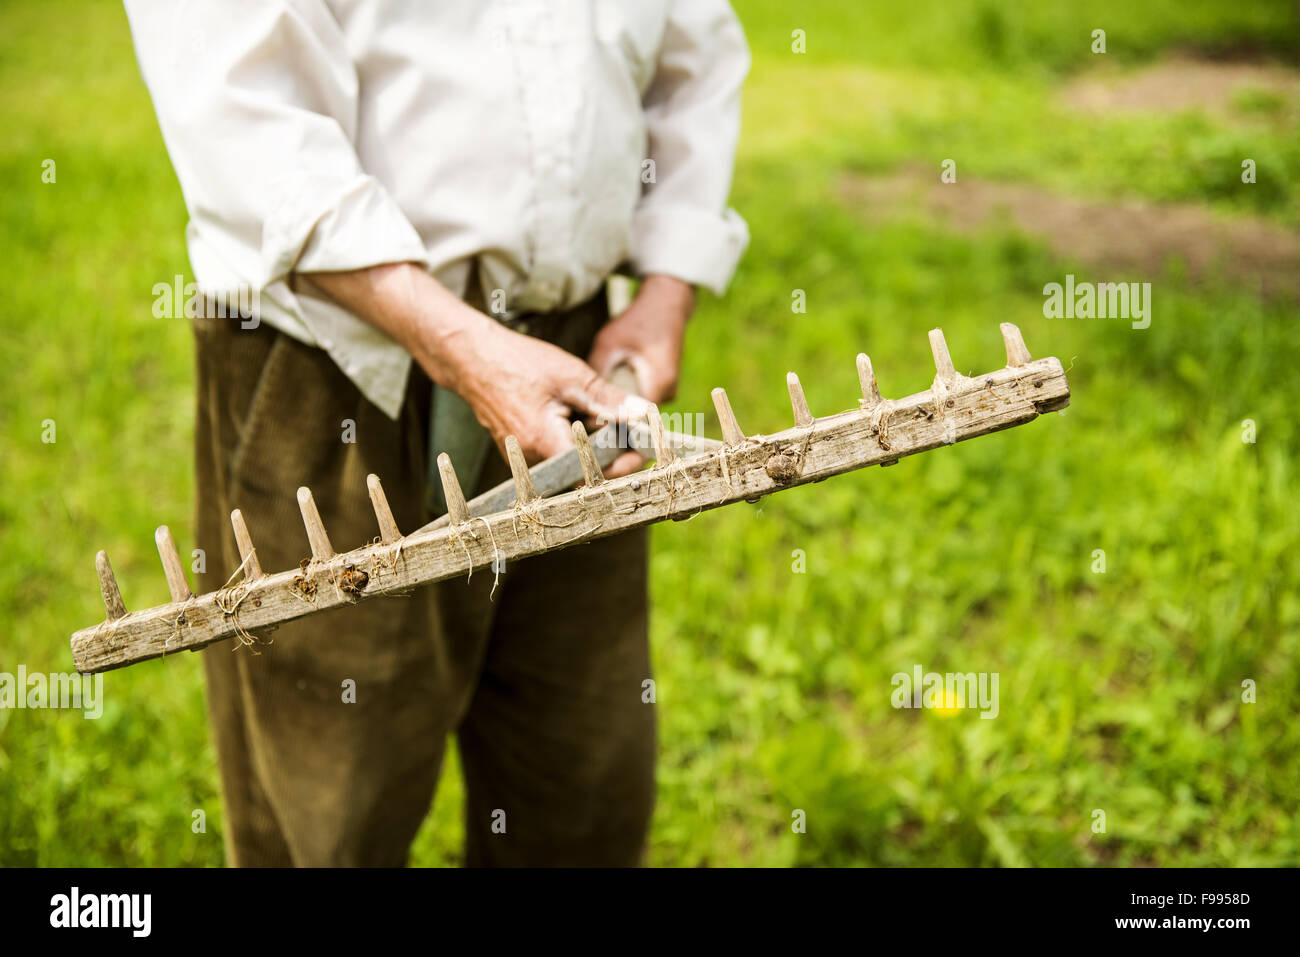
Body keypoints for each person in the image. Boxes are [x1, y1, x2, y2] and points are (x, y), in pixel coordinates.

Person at [123, 0, 749, 866]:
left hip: (571, 370)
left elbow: (697, 58)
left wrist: (667, 286)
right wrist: (462, 348)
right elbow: (240, 105)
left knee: (582, 783)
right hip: (335, 367)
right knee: (330, 815)